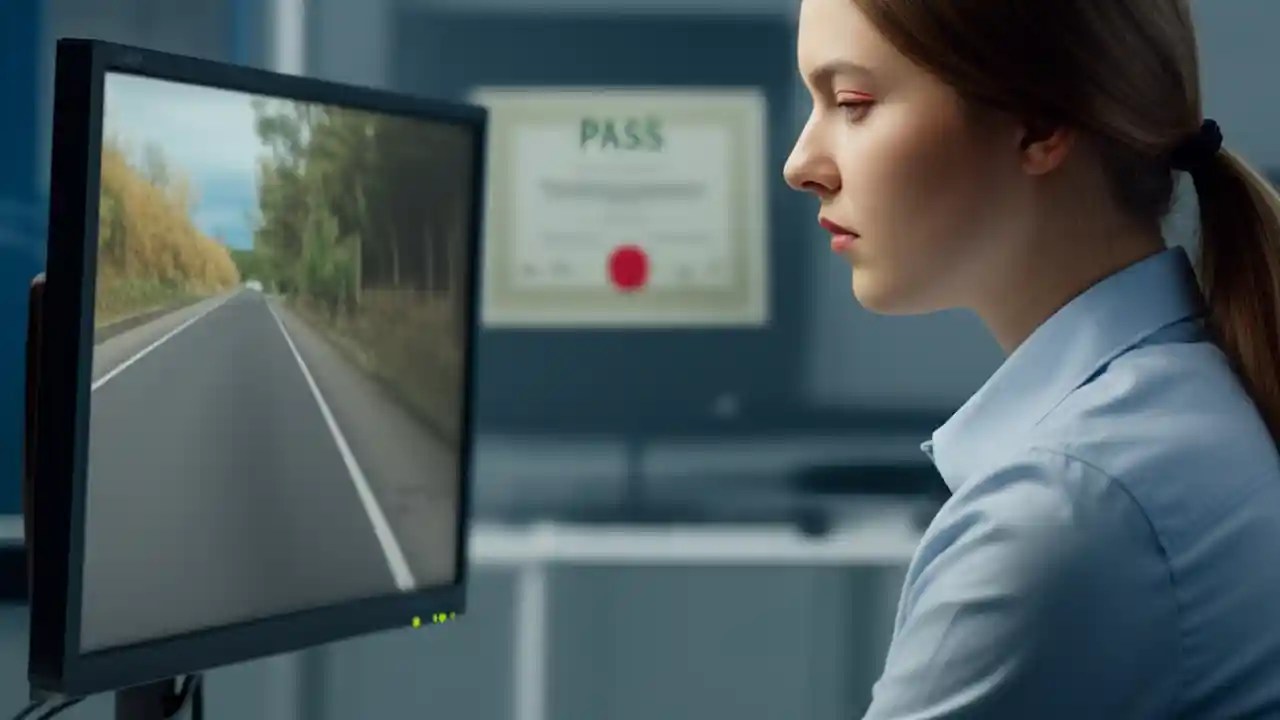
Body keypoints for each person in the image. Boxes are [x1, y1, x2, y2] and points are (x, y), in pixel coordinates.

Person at [784, 1, 1280, 718]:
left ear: (1040, 125)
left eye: (853, 103)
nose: (801, 165)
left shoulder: (1066, 509)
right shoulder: (1189, 407)